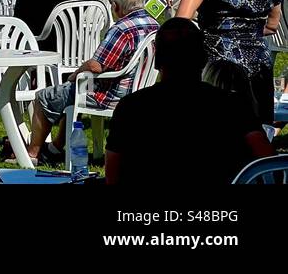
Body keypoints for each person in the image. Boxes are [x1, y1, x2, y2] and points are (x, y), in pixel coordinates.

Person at [106, 18, 271, 186]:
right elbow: (269, 163)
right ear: (203, 59)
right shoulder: (232, 105)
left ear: (158, 61)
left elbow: (112, 176)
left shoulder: (131, 107)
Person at [24, 0, 158, 165]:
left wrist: (75, 74)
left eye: (111, 2)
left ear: (116, 6)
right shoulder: (154, 25)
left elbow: (95, 66)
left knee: (44, 97)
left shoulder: (122, 29)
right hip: (141, 90)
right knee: (73, 93)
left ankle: (32, 155)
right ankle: (55, 148)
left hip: (111, 94)